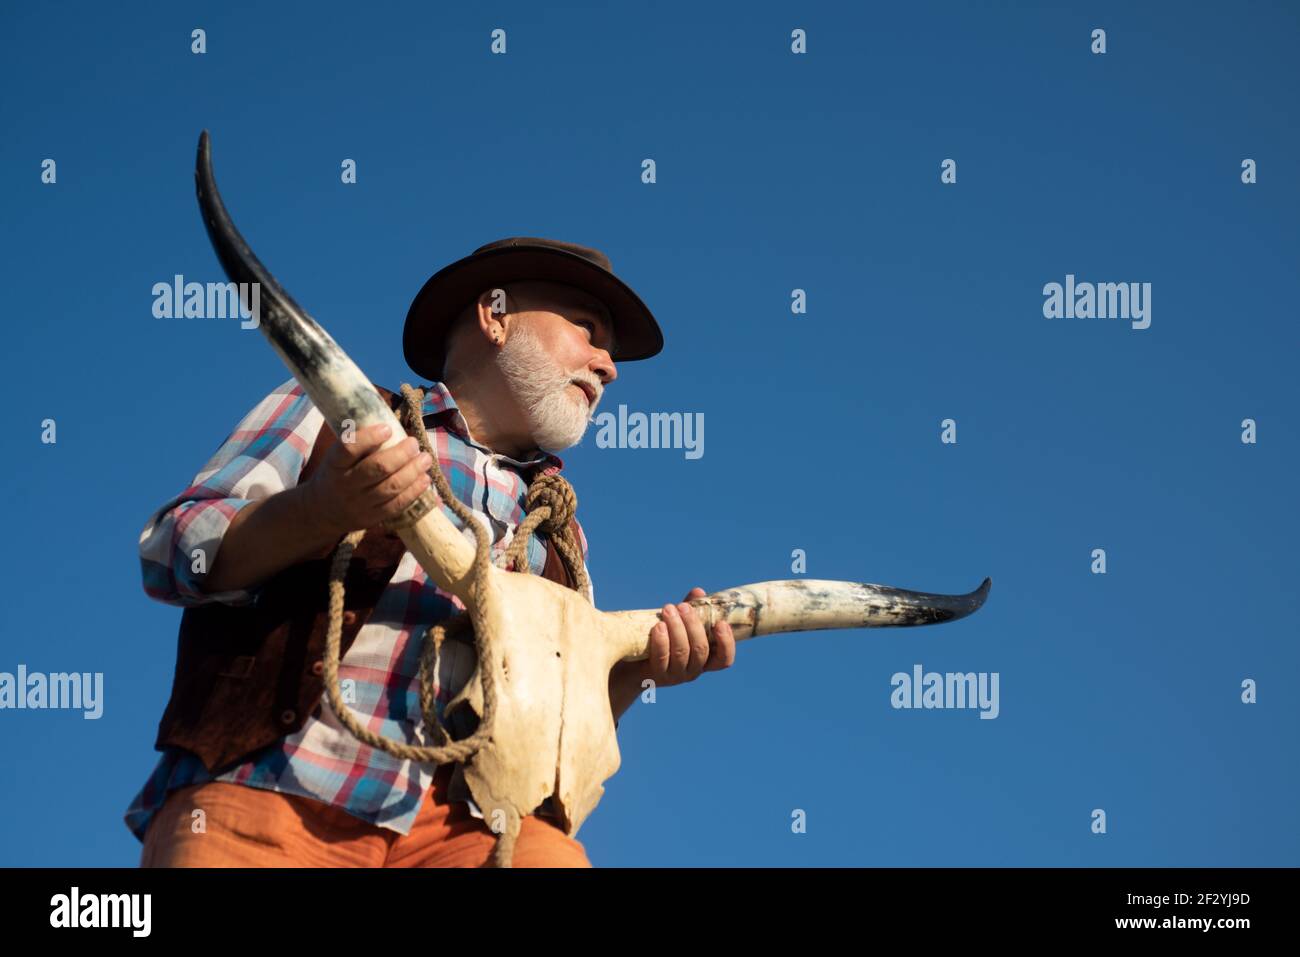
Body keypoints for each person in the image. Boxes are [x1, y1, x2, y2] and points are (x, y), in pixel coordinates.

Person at [125, 238, 736, 867]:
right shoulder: (341, 417)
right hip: (273, 797)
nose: (608, 366)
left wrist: (636, 672)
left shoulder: (561, 535)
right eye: (587, 328)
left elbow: (553, 722)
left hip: (475, 833)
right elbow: (176, 550)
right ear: (493, 315)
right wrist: (320, 510)